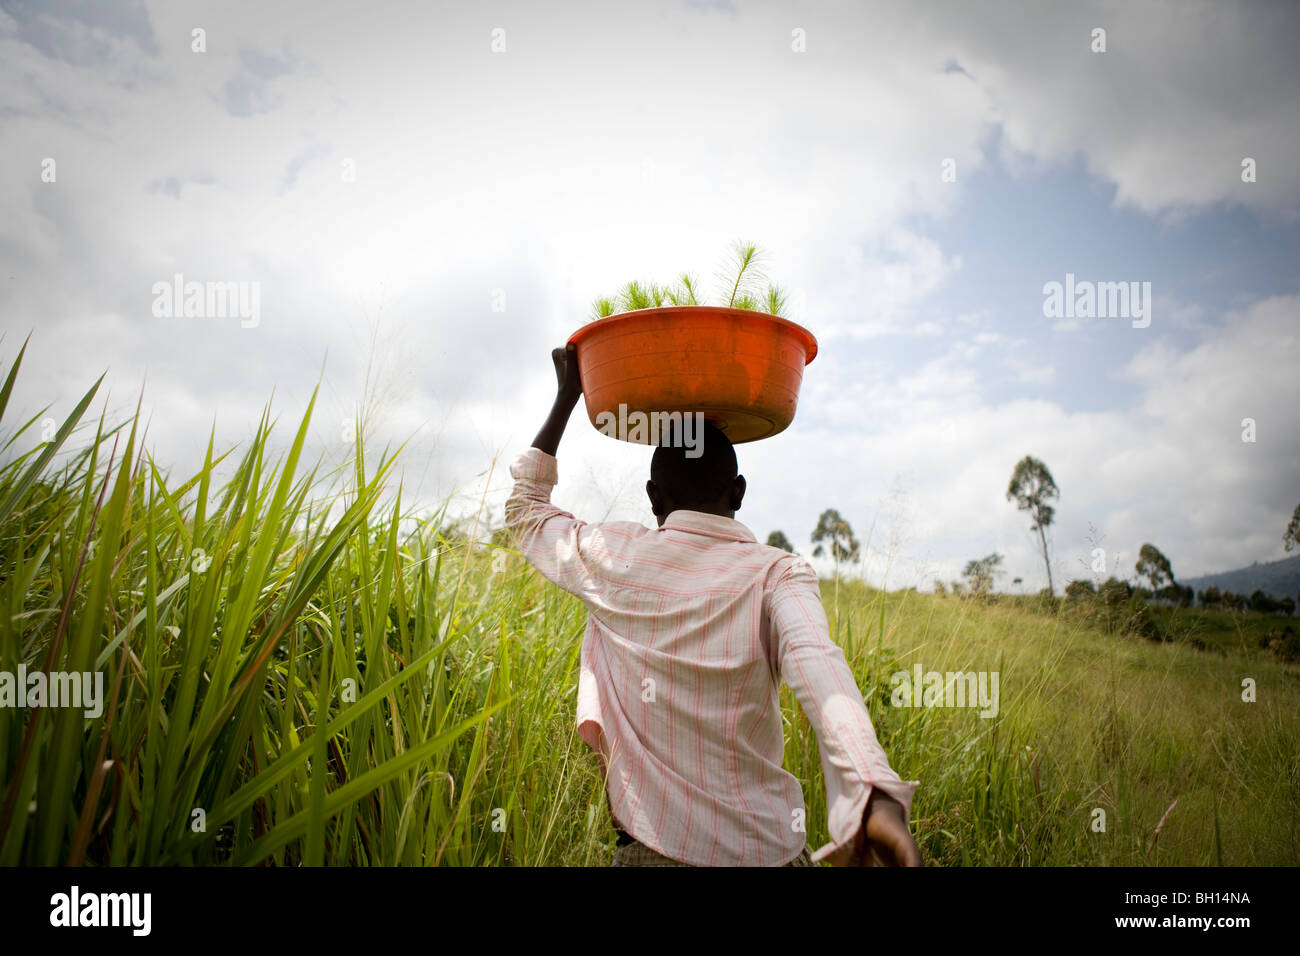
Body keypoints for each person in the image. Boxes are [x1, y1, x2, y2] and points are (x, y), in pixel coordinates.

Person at [505, 345, 921, 867]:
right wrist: (872, 789)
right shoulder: (778, 573)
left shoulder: (612, 559)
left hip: (649, 853)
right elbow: (820, 665)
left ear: (654, 497)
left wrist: (567, 397)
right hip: (766, 854)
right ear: (739, 491)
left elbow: (526, 512)